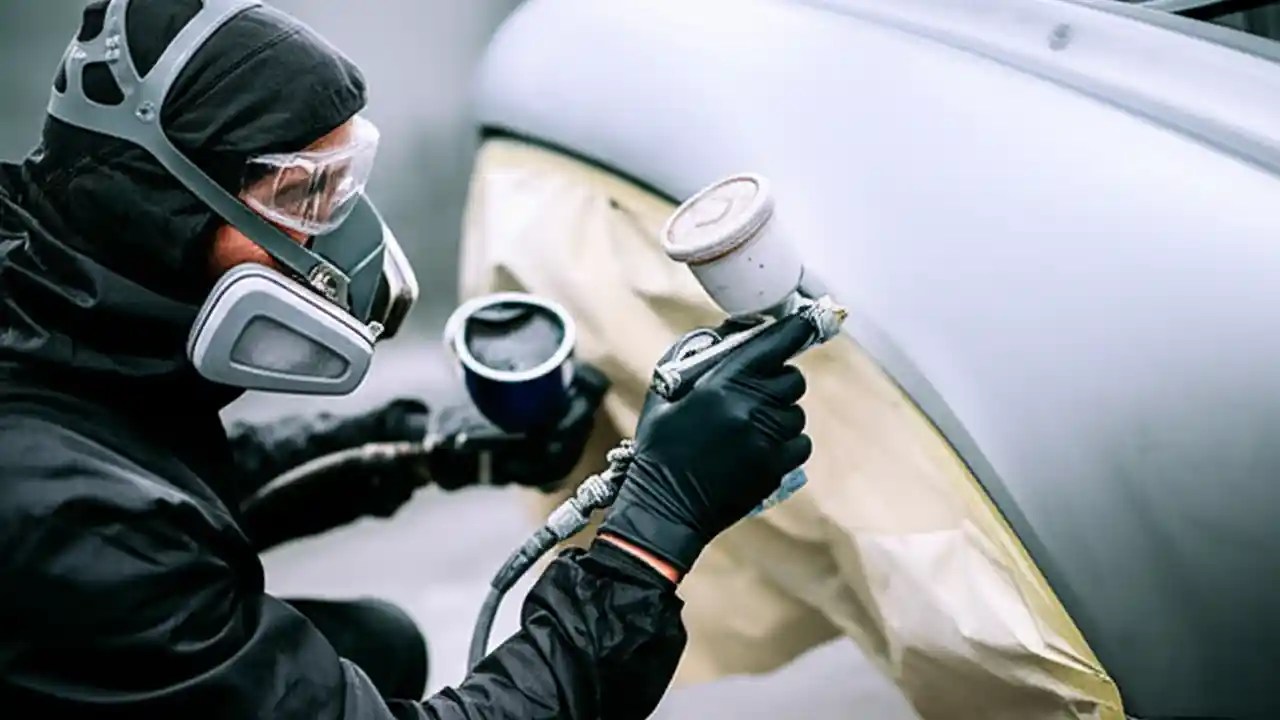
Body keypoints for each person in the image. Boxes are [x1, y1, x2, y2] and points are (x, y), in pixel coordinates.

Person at [0, 1, 814, 718]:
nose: (336, 242)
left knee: (378, 644)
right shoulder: (68, 521)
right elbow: (134, 527)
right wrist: (649, 537)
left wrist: (433, 445)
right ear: (162, 212)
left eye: (342, 186)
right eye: (302, 196)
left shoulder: (51, 313)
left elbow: (178, 486)